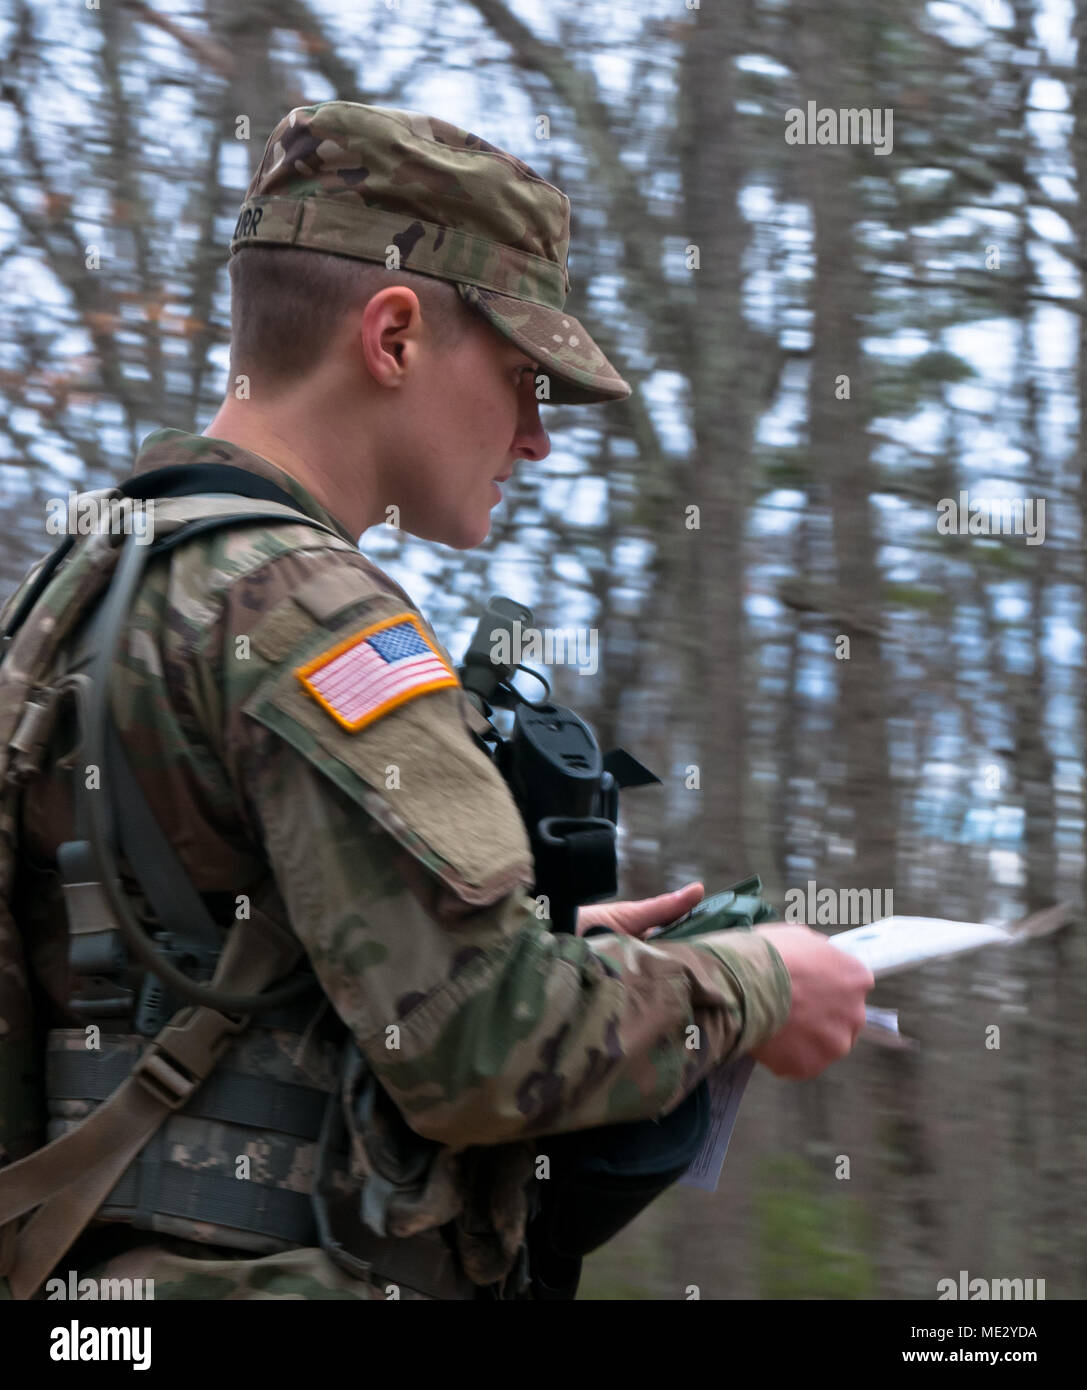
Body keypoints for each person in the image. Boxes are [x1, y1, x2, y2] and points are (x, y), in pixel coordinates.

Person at [0, 101, 873, 1301]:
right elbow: (476, 1047)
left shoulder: (82, 587)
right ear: (395, 335)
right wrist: (755, 981)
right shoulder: (308, 605)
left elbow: (183, 980)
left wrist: (545, 951)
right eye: (523, 378)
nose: (535, 439)